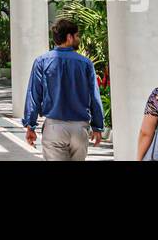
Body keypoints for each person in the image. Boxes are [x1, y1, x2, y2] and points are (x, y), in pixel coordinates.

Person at [22, 17, 105, 161]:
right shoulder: (85, 64)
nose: (78, 39)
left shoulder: (42, 62)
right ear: (69, 37)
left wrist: (30, 126)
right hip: (80, 129)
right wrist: (97, 127)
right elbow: (94, 97)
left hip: (54, 128)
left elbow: (34, 96)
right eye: (77, 35)